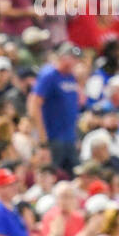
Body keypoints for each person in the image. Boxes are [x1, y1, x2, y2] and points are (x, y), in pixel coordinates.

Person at [29, 43, 83, 174]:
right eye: (72, 58)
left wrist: (76, 136)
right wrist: (42, 141)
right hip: (53, 138)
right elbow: (34, 105)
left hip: (69, 138)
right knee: (49, 175)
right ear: (62, 57)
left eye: (77, 59)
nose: (75, 62)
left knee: (74, 175)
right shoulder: (49, 75)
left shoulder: (71, 77)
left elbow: (72, 108)